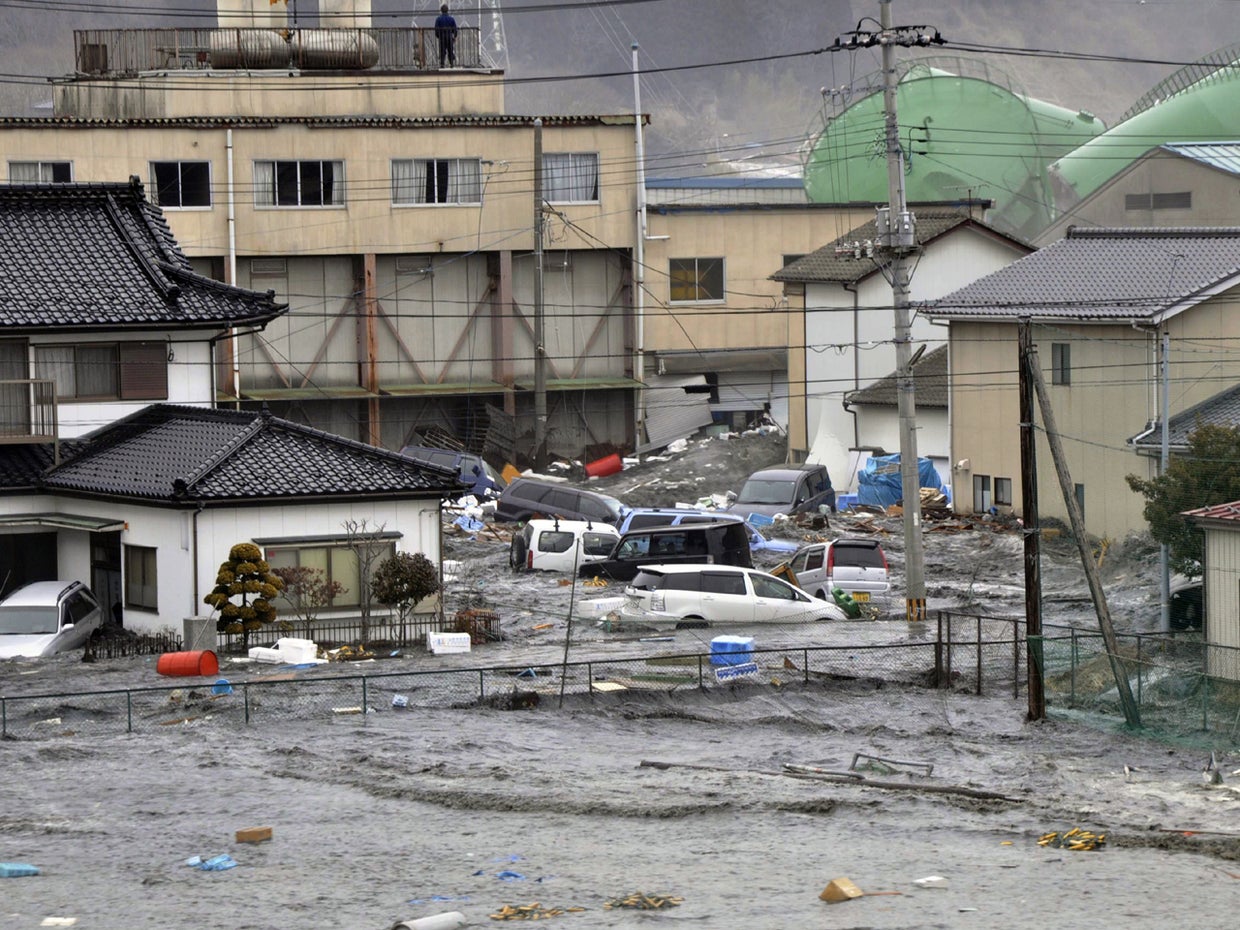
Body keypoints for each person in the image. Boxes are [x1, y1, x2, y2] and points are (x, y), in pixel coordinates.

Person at [434, 4, 458, 69]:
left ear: (441, 10)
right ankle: (451, 63)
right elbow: (455, 29)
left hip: (442, 37)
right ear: (447, 10)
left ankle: (442, 64)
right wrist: (455, 36)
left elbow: (436, 29)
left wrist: (438, 36)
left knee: (442, 51)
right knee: (450, 50)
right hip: (449, 36)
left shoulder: (438, 19)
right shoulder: (451, 19)